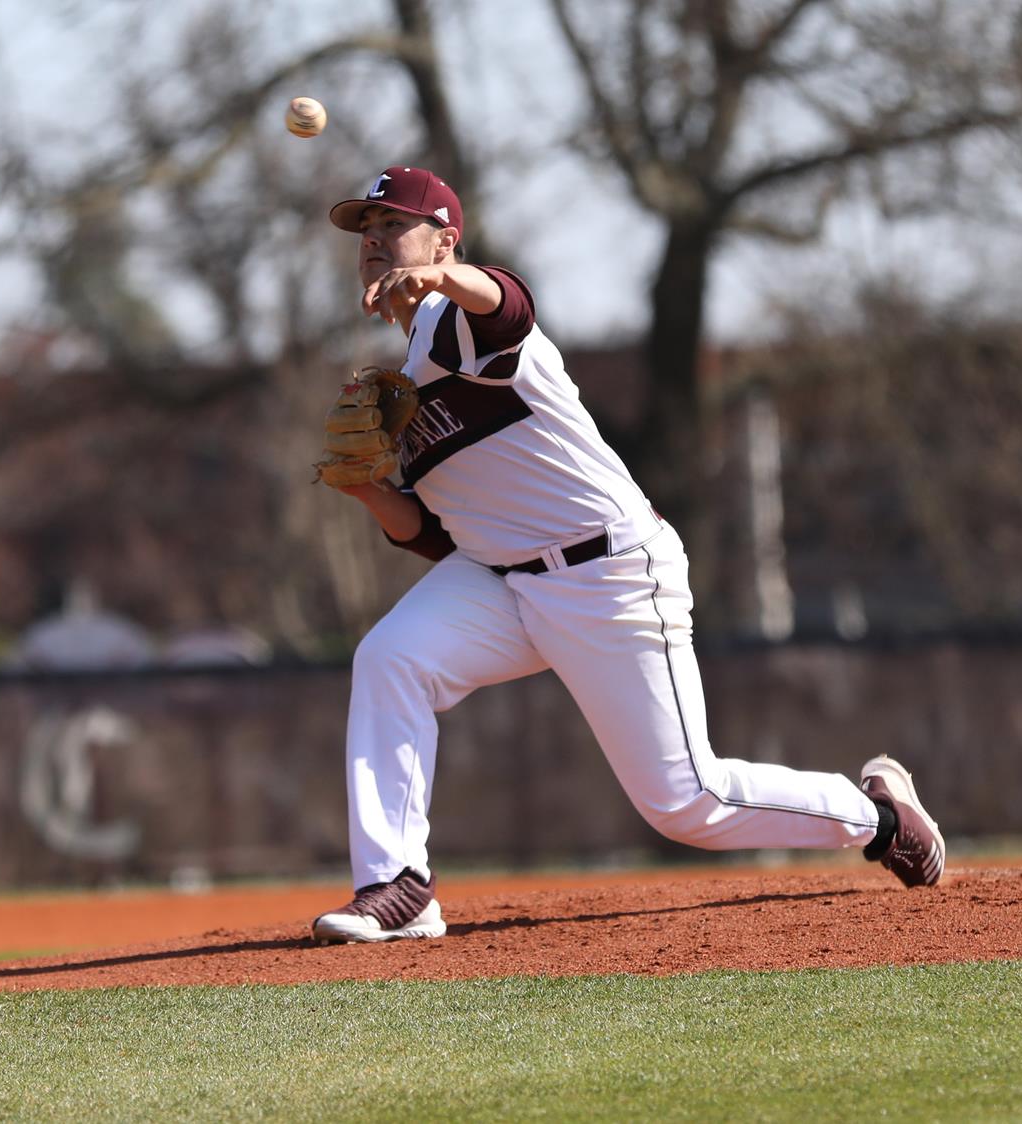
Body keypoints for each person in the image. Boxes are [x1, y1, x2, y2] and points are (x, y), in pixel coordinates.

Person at [309, 166, 944, 944]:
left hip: (608, 572)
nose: (373, 243)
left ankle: (877, 818)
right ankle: (399, 885)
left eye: (391, 226)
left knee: (686, 803)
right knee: (390, 660)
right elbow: (444, 537)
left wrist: (441, 275)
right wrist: (368, 492)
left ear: (445, 238)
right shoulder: (401, 387)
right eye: (364, 232)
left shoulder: (457, 320)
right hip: (502, 581)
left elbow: (511, 303)